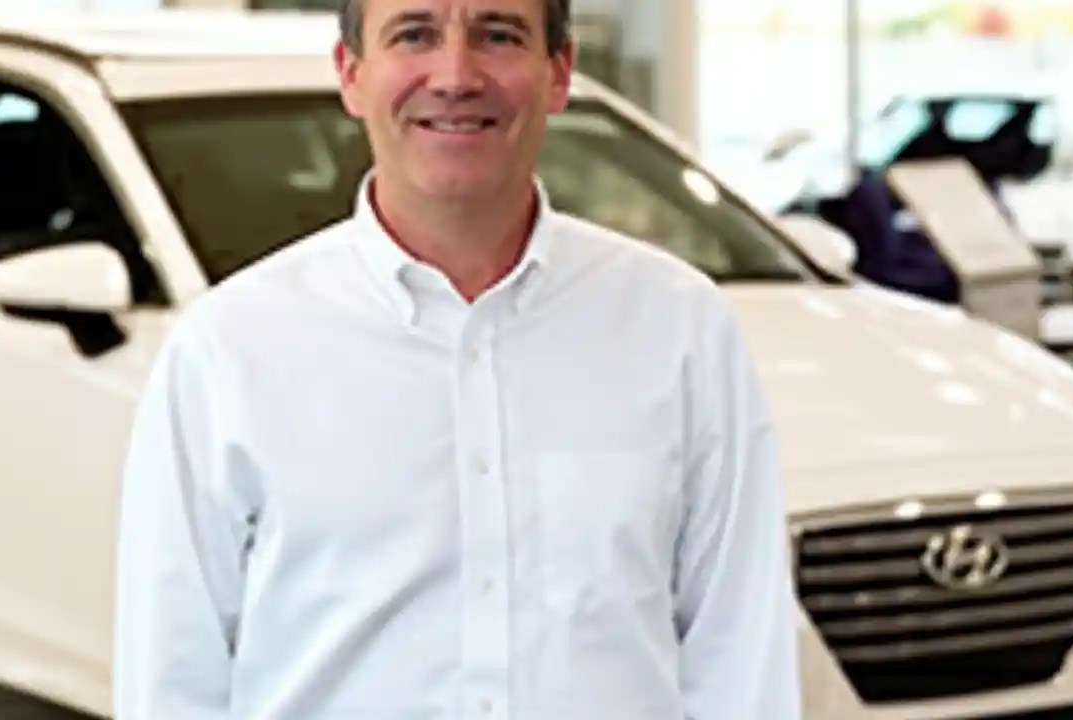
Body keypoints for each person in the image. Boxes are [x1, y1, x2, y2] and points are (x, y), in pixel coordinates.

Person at [112, 0, 801, 717]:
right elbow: (173, 681)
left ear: (559, 72)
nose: (455, 74)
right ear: (351, 73)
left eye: (498, 35)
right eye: (414, 34)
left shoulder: (679, 329)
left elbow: (739, 661)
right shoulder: (228, 350)